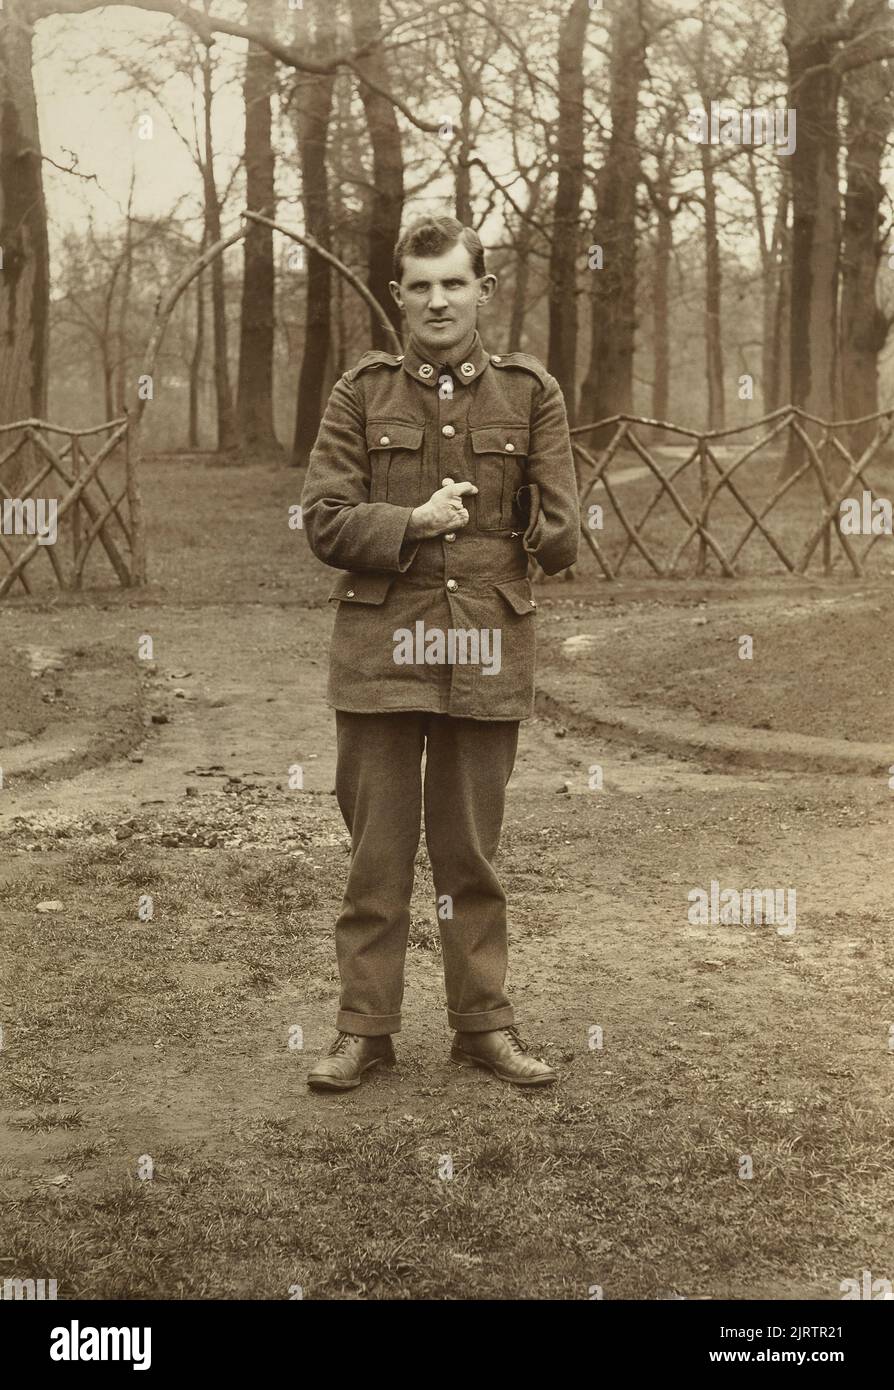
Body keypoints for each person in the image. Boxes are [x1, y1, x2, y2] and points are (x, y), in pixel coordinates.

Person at [300, 213, 579, 1091]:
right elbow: (324, 520)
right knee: (375, 857)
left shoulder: (531, 394)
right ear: (398, 297)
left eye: (454, 283)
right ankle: (364, 1031)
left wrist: (542, 513)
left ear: (483, 292)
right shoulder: (362, 393)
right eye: (419, 286)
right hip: (381, 654)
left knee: (471, 858)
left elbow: (564, 536)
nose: (437, 301)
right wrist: (415, 523)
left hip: (486, 650)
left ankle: (483, 1027)